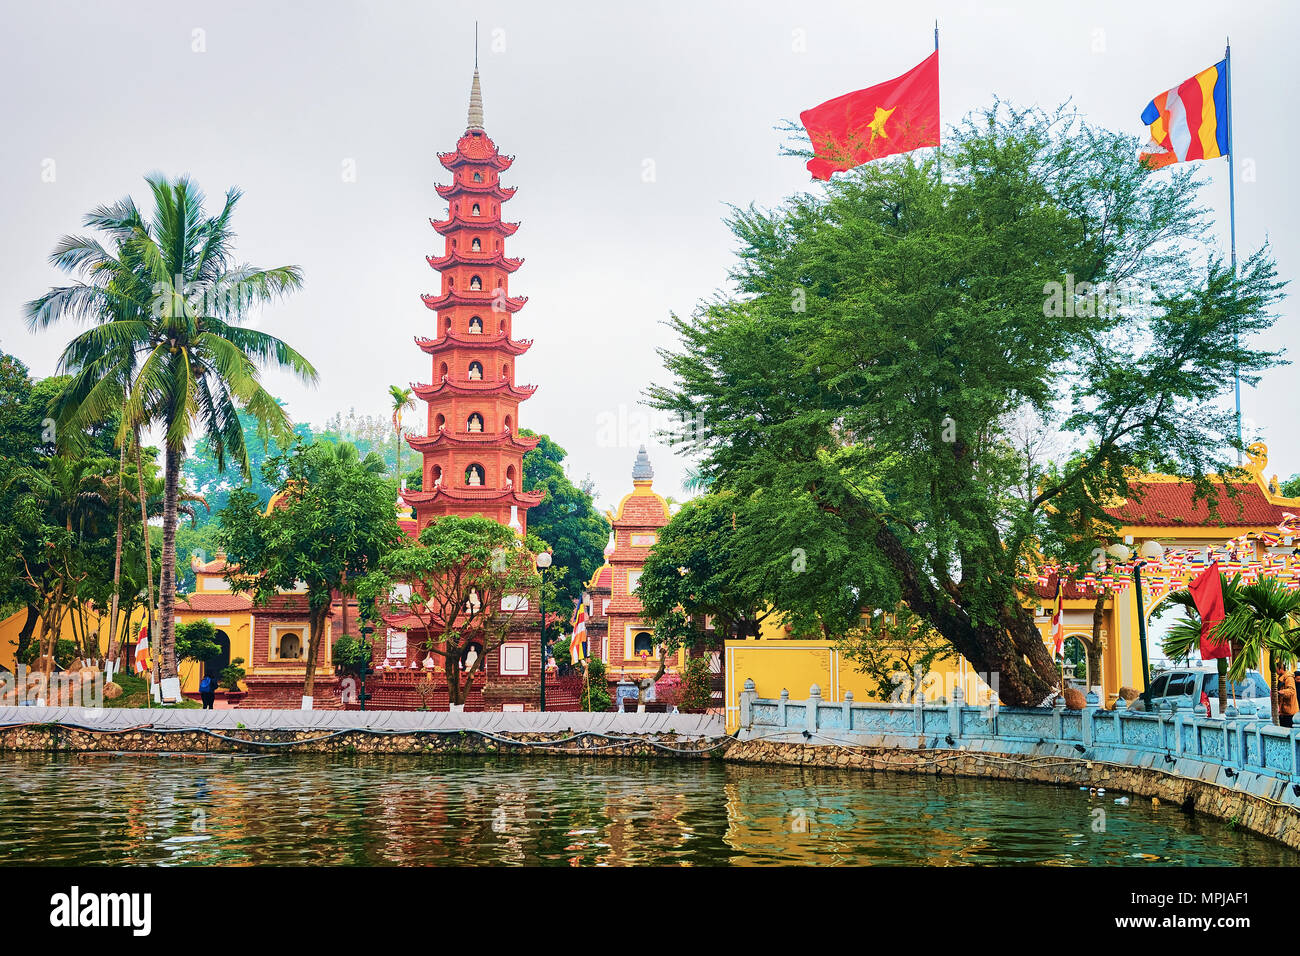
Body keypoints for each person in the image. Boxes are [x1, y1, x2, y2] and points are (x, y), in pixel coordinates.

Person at [1277, 664, 1297, 729]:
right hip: (1283, 712)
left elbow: (1291, 691)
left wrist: (1282, 692)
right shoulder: (1281, 678)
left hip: (1289, 712)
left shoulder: (1289, 678)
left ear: (1280, 669)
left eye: (1276, 669)